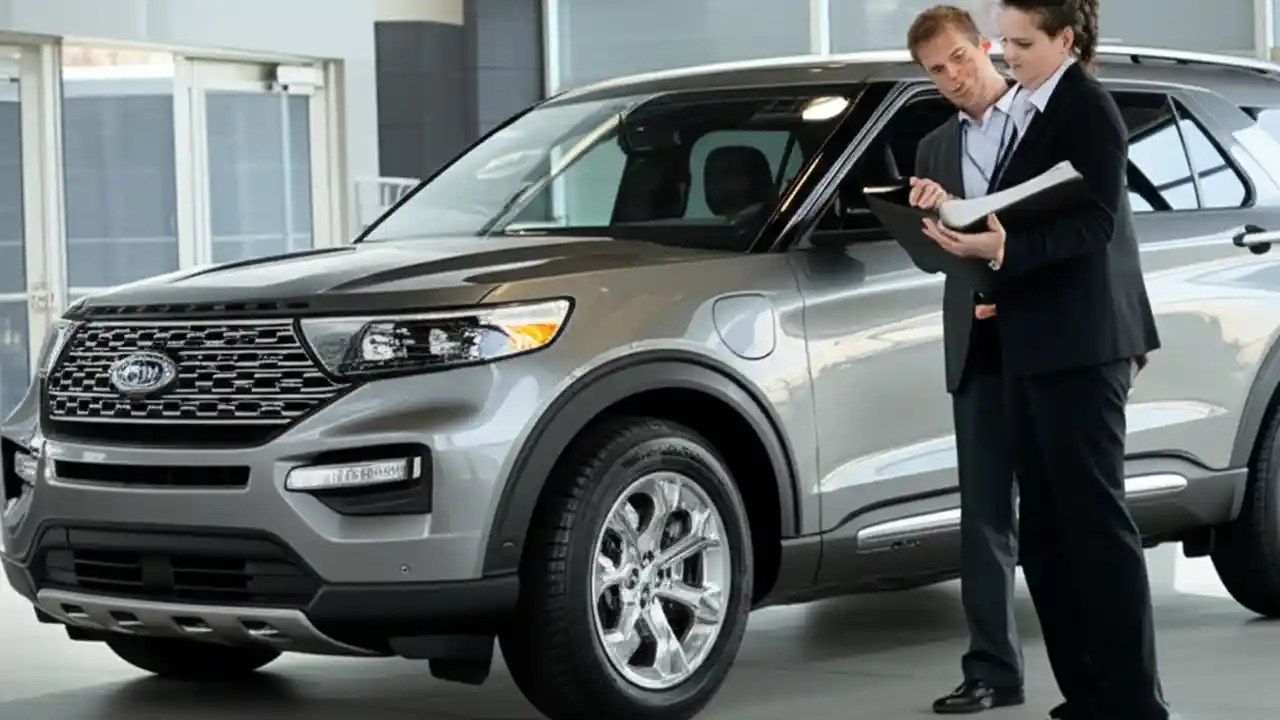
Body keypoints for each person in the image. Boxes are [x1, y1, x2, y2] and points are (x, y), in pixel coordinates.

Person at [918, 1, 1168, 718]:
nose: (1008, 54)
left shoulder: (1087, 108)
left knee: (1093, 523)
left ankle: (1132, 703)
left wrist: (1003, 249)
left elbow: (1095, 222)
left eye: (1021, 43)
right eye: (1005, 39)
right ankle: (1087, 693)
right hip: (1028, 341)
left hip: (1082, 344)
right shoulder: (1030, 107)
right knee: (1048, 534)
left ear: (1067, 38)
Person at [903, 6, 1025, 714]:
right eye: (935, 71)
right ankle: (992, 674)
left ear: (986, 47)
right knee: (983, 518)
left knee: (1067, 511)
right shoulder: (932, 147)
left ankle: (1101, 671)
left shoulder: (1042, 122)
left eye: (958, 58)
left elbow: (1063, 226)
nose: (952, 77)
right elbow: (933, 260)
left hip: (1049, 335)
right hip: (977, 346)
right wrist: (927, 218)